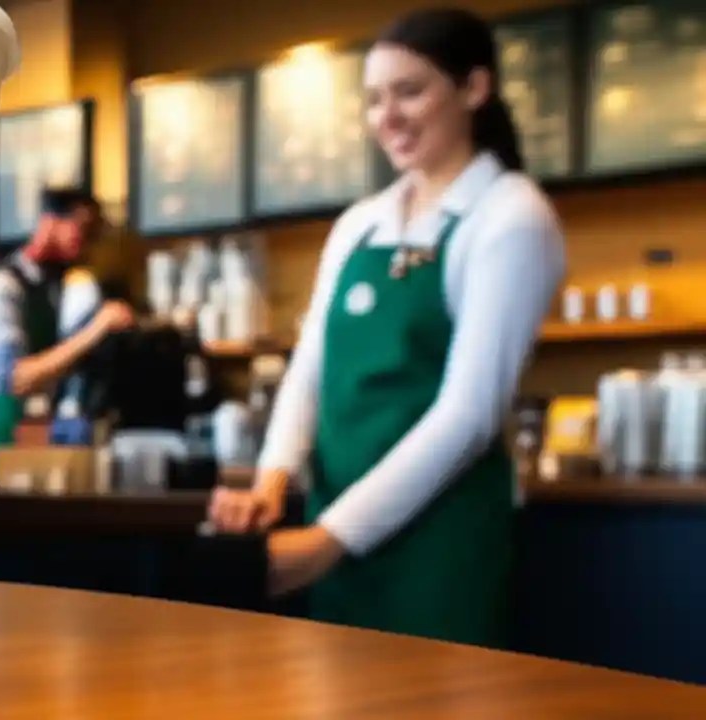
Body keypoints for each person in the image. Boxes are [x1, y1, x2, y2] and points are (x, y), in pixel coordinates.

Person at [208, 7, 566, 649]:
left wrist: (327, 540)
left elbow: (469, 415)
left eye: (410, 91)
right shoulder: (362, 223)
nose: (387, 117)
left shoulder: (510, 216)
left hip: (438, 548)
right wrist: (271, 478)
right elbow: (309, 369)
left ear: (475, 88)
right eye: (374, 99)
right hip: (338, 539)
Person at [0, 188, 135, 476]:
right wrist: (97, 328)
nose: (85, 240)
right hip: (2, 443)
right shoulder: (2, 287)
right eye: (82, 227)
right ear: (50, 221)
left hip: (37, 440)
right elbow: (15, 379)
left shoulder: (55, 290)